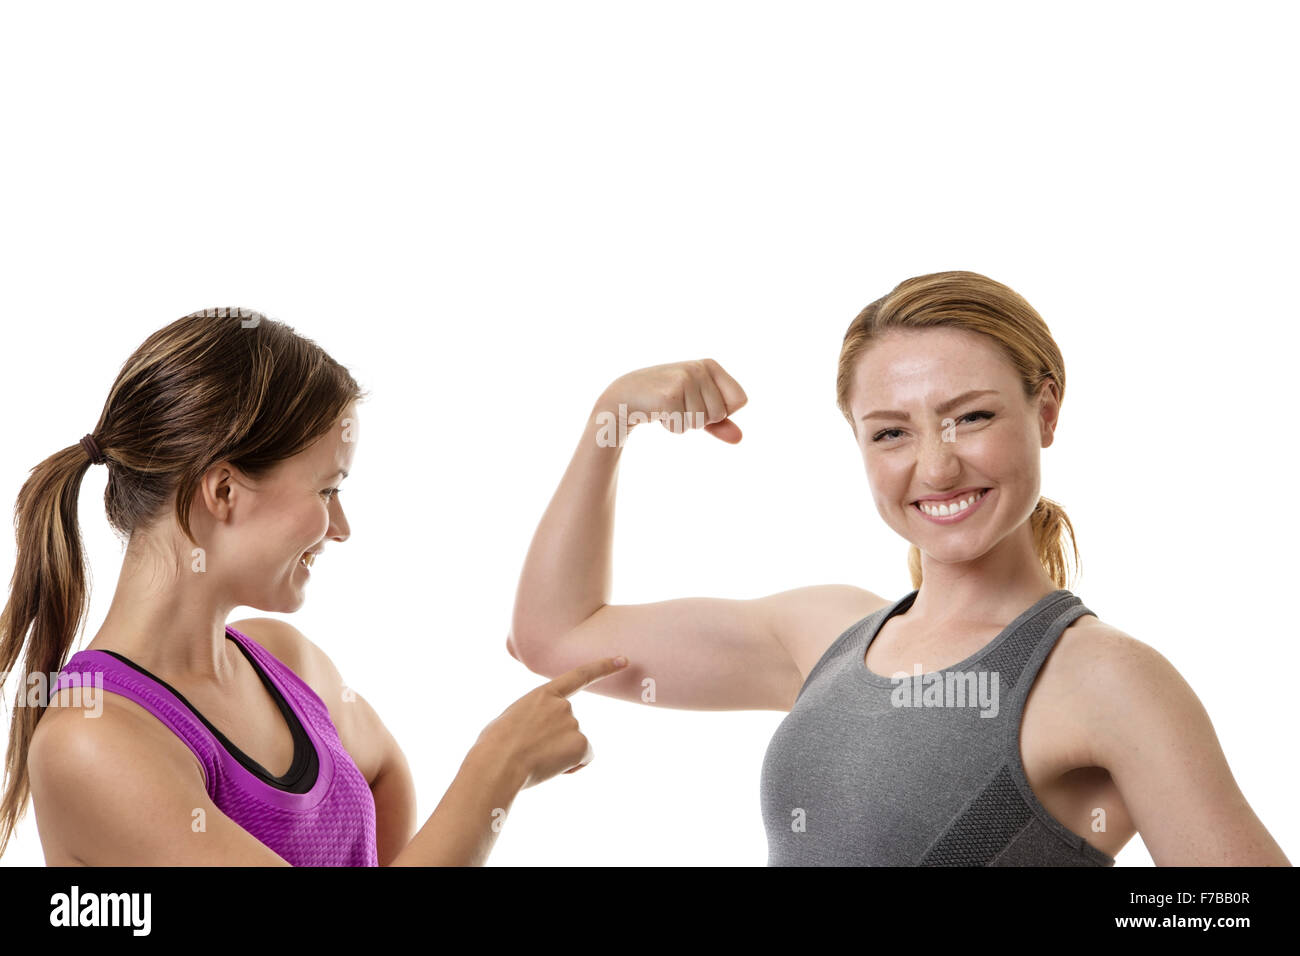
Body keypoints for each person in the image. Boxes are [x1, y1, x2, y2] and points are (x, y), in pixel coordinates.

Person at [507, 270, 1291, 866]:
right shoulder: (828, 637)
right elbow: (557, 637)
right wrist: (614, 419)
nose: (937, 467)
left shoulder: (1104, 677)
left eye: (973, 416)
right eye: (890, 434)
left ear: (1045, 412)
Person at [0, 307, 624, 866]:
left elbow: (385, 771)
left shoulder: (287, 661)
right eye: (328, 490)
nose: (342, 528)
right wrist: (501, 765)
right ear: (222, 491)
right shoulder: (93, 741)